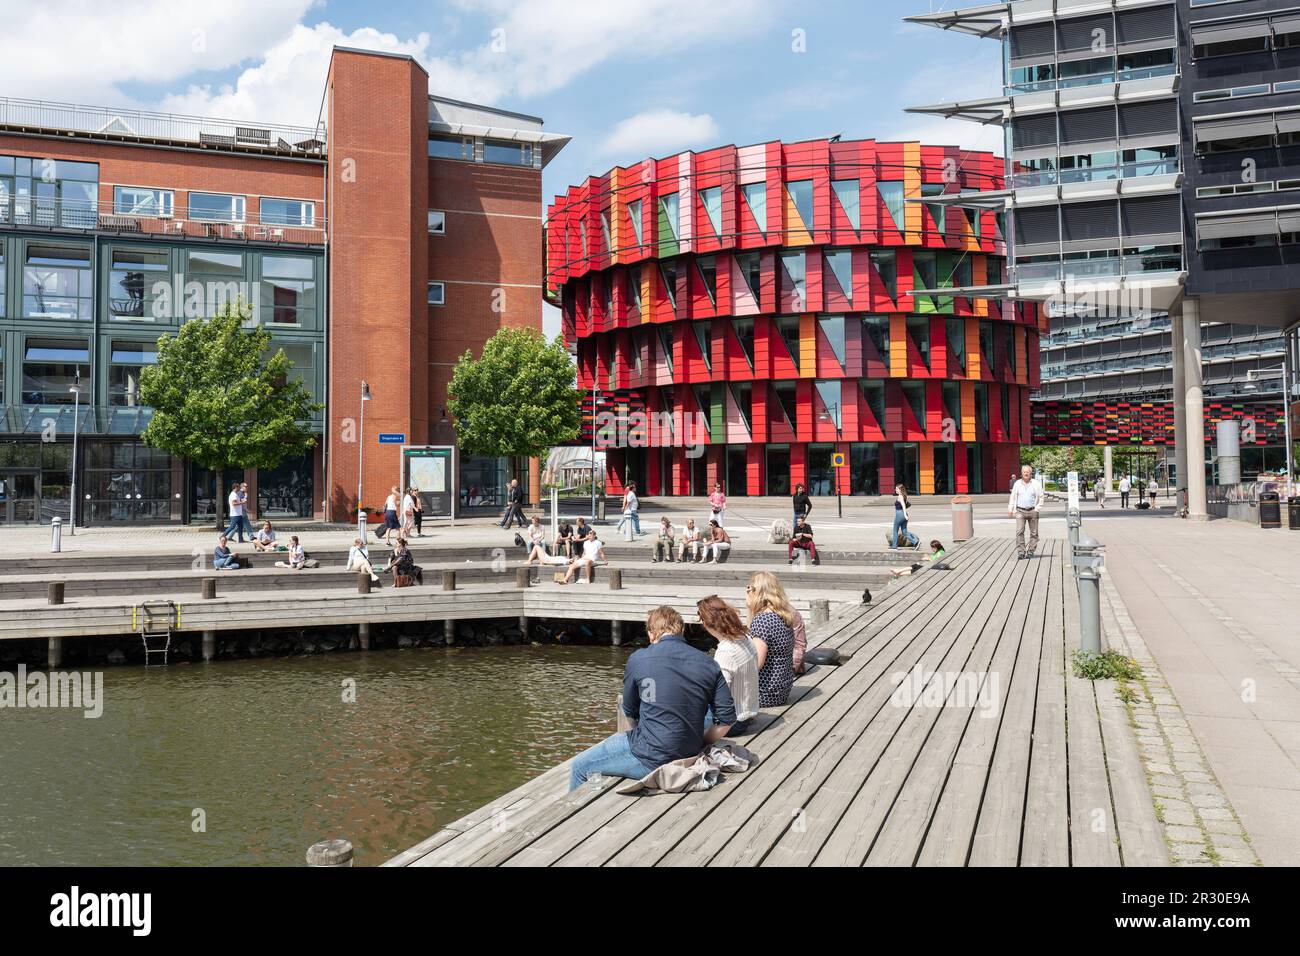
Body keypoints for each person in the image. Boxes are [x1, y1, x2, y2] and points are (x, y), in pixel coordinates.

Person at [569, 606, 736, 790]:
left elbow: (629, 710)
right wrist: (702, 741)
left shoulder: (639, 659)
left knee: (579, 766)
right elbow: (726, 720)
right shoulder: (709, 663)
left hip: (649, 757)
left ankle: (573, 816)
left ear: (651, 633)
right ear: (681, 632)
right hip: (689, 754)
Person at [696, 596, 758, 737]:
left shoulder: (725, 651)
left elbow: (720, 695)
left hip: (733, 724)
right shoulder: (745, 638)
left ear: (707, 623)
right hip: (747, 714)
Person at [746, 571, 796, 708]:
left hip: (763, 693)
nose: (747, 591)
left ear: (758, 592)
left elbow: (756, 664)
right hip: (781, 690)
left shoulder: (763, 620)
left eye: (749, 588)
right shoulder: (783, 616)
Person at [1007, 464, 1044, 560]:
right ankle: (1021, 552)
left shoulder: (1036, 484)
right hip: (1020, 510)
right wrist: (1010, 509)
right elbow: (1013, 497)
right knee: (1019, 531)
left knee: (1034, 533)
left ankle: (1031, 551)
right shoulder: (1017, 484)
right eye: (1024, 472)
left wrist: (1037, 508)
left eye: (1027, 472)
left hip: (1032, 510)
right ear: (1021, 473)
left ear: (1030, 473)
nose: (1026, 473)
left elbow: (1041, 497)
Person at [891, 483, 915, 550]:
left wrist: (904, 515)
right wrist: (905, 515)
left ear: (900, 489)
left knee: (895, 530)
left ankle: (894, 546)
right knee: (904, 532)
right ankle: (916, 541)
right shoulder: (904, 496)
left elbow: (904, 506)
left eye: (896, 489)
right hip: (904, 514)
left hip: (900, 514)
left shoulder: (900, 496)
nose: (895, 490)